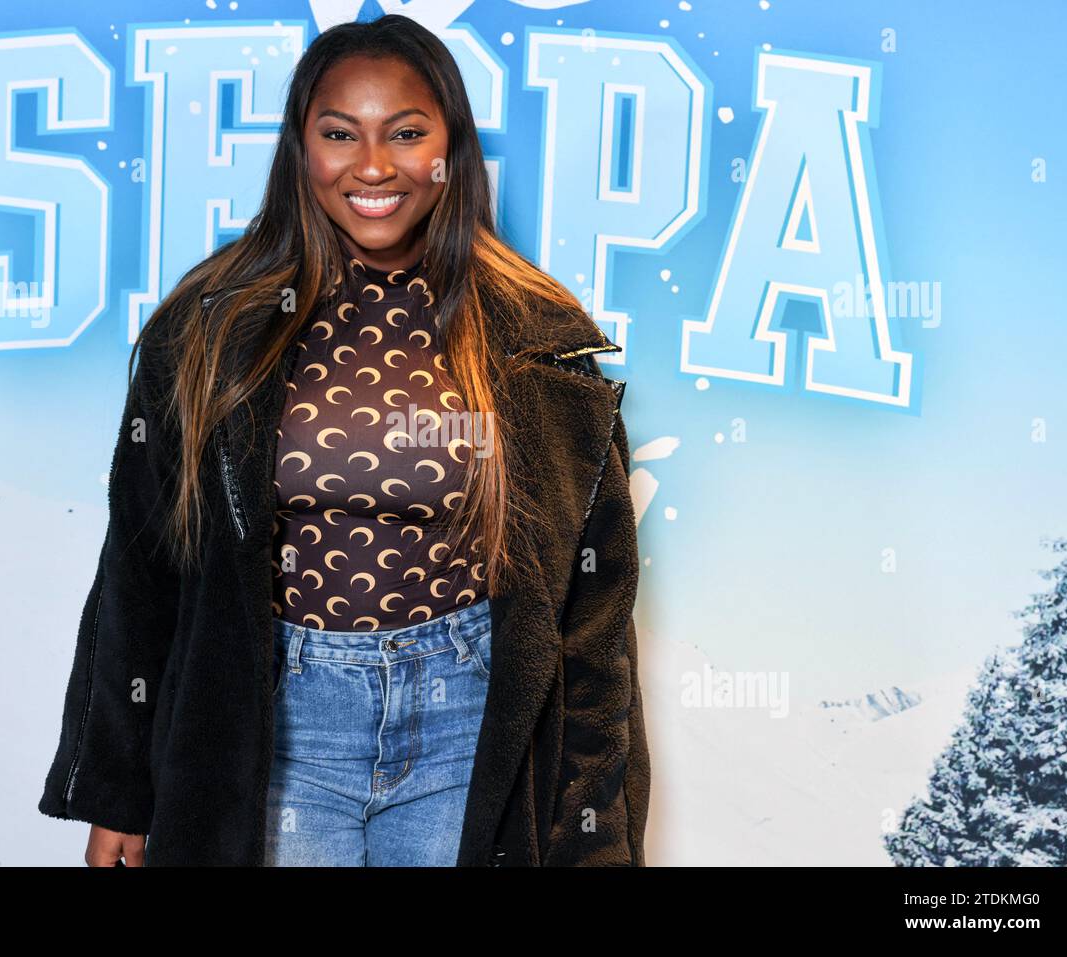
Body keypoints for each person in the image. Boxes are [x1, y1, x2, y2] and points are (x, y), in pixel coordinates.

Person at [38, 13, 648, 867]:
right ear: (300, 149)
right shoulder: (211, 330)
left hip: (465, 735)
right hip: (276, 727)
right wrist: (120, 793)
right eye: (339, 133)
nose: (373, 166)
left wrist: (596, 835)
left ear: (452, 147)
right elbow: (141, 572)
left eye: (405, 132)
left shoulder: (538, 341)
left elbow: (594, 628)